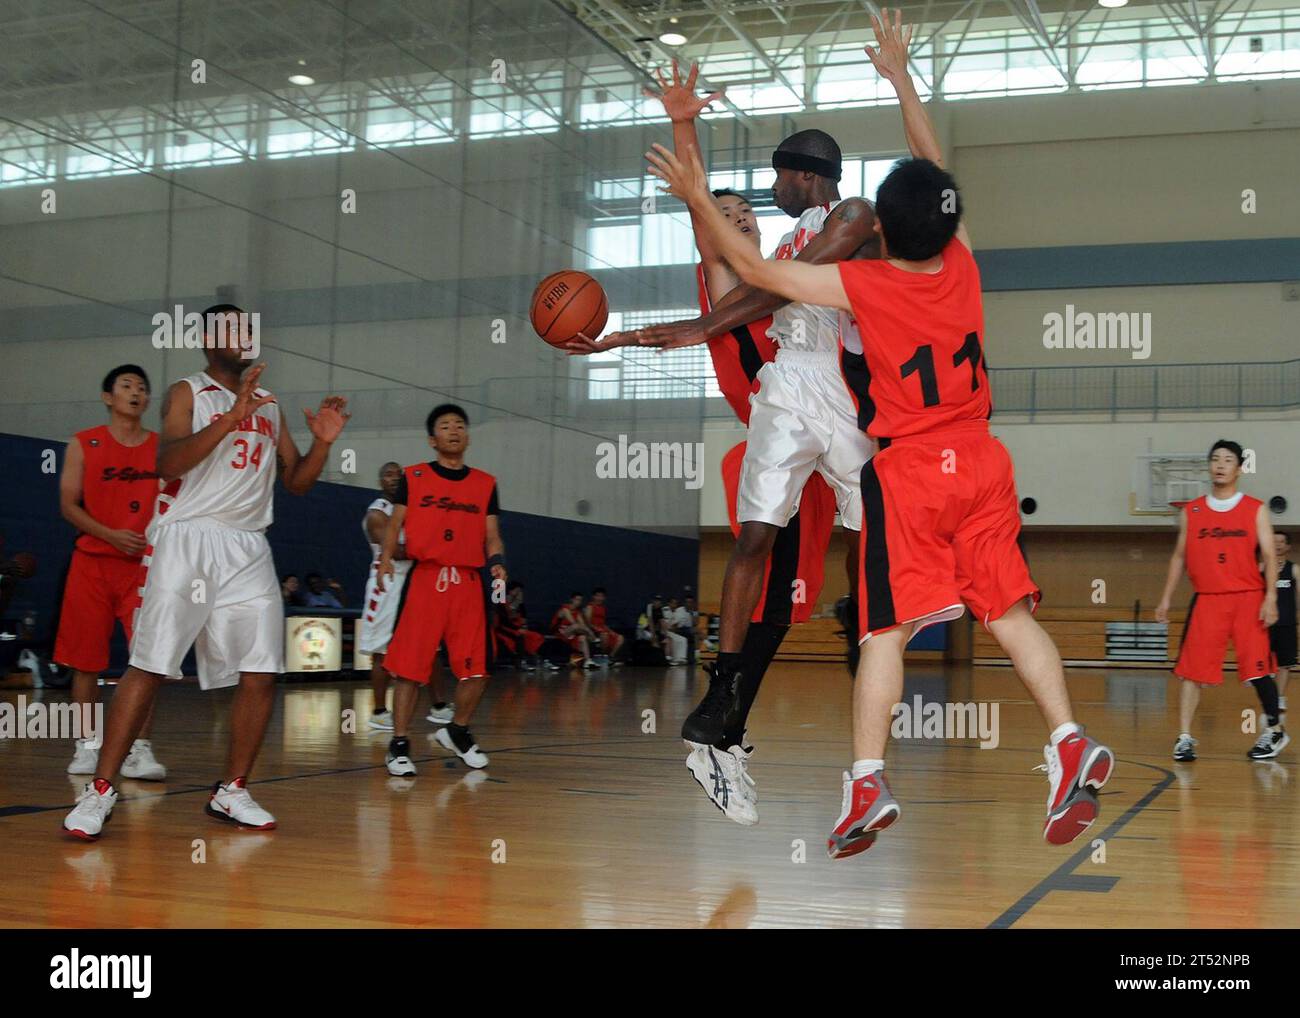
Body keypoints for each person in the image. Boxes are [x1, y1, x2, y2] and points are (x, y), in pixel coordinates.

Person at [642, 8, 1115, 858]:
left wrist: (691, 194)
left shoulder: (869, 288)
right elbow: (933, 167)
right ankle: (1069, 739)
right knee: (1008, 613)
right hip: (985, 457)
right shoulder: (964, 264)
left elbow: (750, 274)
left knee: (881, 629)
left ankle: (866, 780)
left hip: (909, 467)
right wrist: (902, 81)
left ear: (879, 235)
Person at [571, 64, 878, 822]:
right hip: (775, 420)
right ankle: (722, 721)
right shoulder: (731, 275)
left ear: (801, 178)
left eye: (755, 207)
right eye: (732, 215)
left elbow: (779, 274)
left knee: (804, 590)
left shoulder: (799, 252)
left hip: (829, 413)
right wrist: (685, 133)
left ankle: (738, 710)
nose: (747, 217)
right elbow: (707, 217)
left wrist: (637, 336)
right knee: (765, 582)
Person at [63, 304, 350, 839]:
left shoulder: (270, 404)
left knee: (263, 671)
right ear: (207, 339)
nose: (243, 336)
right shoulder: (186, 392)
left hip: (248, 546)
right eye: (231, 329)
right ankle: (99, 792)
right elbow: (166, 463)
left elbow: (299, 482)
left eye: (248, 328)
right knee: (148, 664)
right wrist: (229, 417)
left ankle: (231, 791)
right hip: (188, 537)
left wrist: (325, 444)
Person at [377, 404, 504, 774]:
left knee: (478, 670)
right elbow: (395, 522)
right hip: (426, 579)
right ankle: (399, 744)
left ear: (467, 436)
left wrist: (497, 562)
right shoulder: (413, 476)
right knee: (409, 669)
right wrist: (386, 557)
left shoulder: (485, 483)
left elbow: (492, 535)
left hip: (467, 581)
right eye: (445, 426)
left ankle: (458, 730)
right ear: (433, 439)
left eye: (460, 425)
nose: (454, 430)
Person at [54, 364, 167, 782]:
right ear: (108, 397)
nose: (135, 392)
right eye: (126, 386)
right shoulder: (84, 443)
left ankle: (139, 749)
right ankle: (86, 746)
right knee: (85, 663)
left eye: (142, 387)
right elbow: (69, 506)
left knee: (148, 661)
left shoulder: (161, 448)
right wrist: (111, 536)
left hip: (143, 569)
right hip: (91, 564)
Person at [1156, 440, 1285, 760]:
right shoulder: (1192, 511)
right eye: (1215, 459)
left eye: (1228, 460)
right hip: (1208, 600)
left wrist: (1270, 597)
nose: (1220, 464)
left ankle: (1275, 731)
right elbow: (1178, 557)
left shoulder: (1255, 508)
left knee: (1258, 669)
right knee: (1192, 671)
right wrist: (1165, 599)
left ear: (1239, 468)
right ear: (1210, 466)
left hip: (1248, 597)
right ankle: (1184, 737)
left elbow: (1270, 555)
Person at [358, 461, 410, 731]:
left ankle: (434, 706)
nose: (394, 478)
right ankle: (379, 711)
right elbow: (396, 551)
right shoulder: (377, 513)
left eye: (398, 474)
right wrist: (431, 548)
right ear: (380, 480)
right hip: (386, 579)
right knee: (380, 649)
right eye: (388, 474)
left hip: (410, 580)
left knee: (412, 647)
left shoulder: (410, 509)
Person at [495, 581, 552, 671]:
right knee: (520, 636)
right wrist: (518, 628)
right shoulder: (502, 602)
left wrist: (523, 625)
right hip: (505, 629)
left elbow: (523, 617)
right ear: (511, 591)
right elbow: (504, 621)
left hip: (517, 627)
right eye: (517, 590)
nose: (519, 593)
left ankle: (540, 660)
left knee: (536, 636)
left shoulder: (518, 603)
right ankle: (520, 662)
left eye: (520, 591)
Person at [1268, 532, 1295, 719]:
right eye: (1274, 541)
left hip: (1287, 624)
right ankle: (1269, 695)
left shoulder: (1294, 570)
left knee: (1285, 664)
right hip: (1265, 624)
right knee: (1265, 664)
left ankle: (1279, 697)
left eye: (1281, 542)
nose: (1277, 544)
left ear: (1287, 547)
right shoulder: (1262, 567)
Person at [552, 593, 600, 670]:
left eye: (580, 600)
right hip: (561, 632)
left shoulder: (577, 612)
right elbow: (573, 623)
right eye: (577, 599)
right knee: (576, 626)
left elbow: (583, 625)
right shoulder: (565, 609)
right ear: (572, 599)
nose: (579, 602)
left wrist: (586, 630)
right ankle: (593, 638)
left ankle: (587, 661)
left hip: (573, 633)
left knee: (583, 637)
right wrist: (590, 633)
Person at [584, 587, 625, 663]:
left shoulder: (603, 608)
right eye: (597, 596)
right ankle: (602, 656)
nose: (599, 598)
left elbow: (603, 623)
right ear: (593, 597)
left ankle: (611, 657)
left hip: (602, 630)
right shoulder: (589, 607)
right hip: (593, 632)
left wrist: (611, 631)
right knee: (604, 635)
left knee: (620, 638)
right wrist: (596, 629)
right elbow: (587, 623)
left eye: (601, 596)